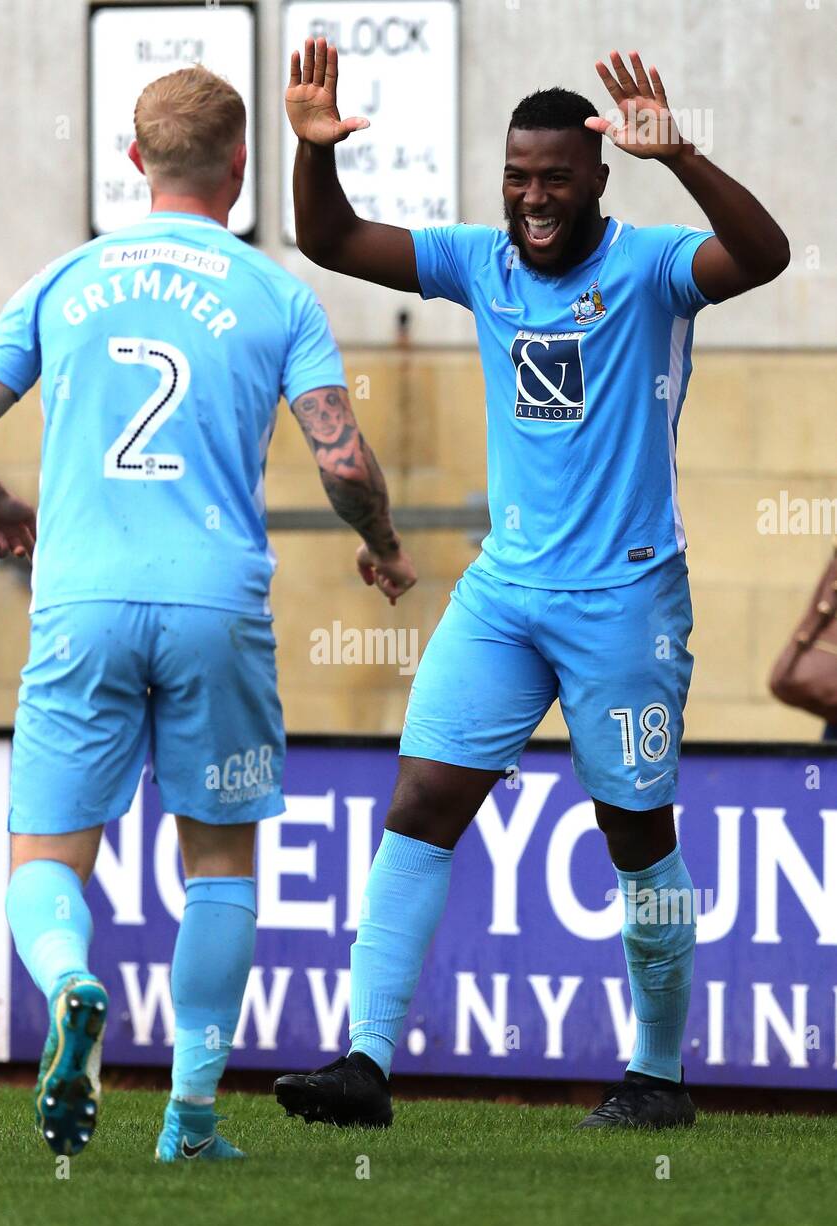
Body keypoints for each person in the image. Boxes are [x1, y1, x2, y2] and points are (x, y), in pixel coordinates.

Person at [274, 39, 789, 1130]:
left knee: (634, 833)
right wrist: (312, 151)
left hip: (626, 603)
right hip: (503, 596)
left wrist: (685, 153)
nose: (532, 197)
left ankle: (657, 1076)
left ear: (598, 176)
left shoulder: (650, 267)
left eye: (554, 177)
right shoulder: (479, 261)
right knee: (420, 801)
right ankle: (365, 1064)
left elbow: (766, 254)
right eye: (517, 176)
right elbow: (324, 236)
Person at [0, 64, 415, 1161]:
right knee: (221, 869)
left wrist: (0, 506)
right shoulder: (276, 292)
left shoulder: (63, 279)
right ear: (241, 168)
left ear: (134, 161)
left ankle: (72, 981)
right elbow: (341, 458)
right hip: (214, 605)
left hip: (82, 602)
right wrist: (380, 544)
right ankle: (190, 1117)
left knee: (45, 859)